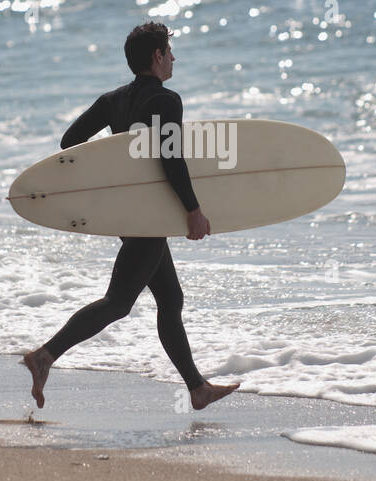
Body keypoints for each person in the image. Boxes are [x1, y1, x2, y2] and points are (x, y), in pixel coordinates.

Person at [20, 22, 241, 411]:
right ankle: (44, 356)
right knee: (119, 302)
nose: (173, 57)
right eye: (169, 51)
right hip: (149, 217)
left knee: (170, 299)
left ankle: (197, 389)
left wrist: (117, 180)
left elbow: (70, 143)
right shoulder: (167, 101)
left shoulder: (112, 100)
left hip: (131, 215)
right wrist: (193, 210)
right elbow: (171, 159)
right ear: (157, 56)